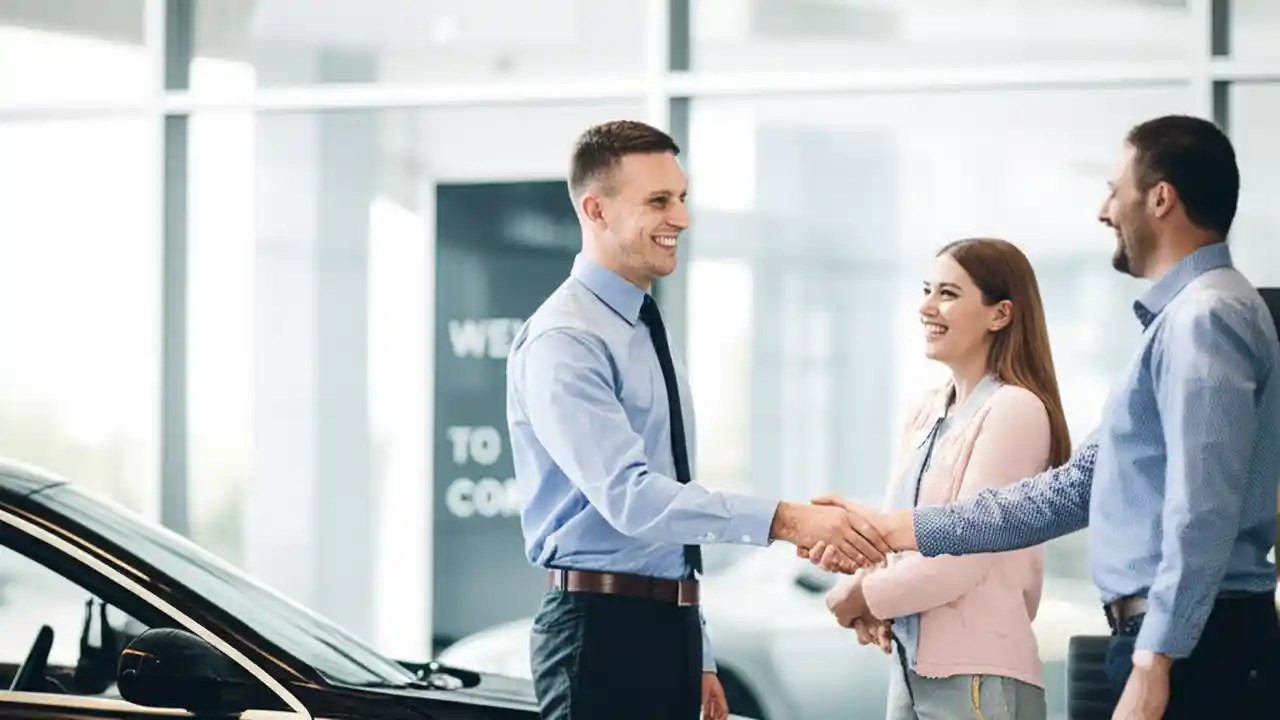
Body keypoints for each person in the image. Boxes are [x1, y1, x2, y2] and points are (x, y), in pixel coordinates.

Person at [808, 115, 1280, 720]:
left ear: (1161, 199)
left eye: (1116, 189)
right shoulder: (1180, 323)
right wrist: (892, 530)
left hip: (1198, 647)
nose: (1104, 210)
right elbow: (1069, 492)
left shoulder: (1204, 318)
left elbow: (1203, 506)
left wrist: (1155, 658)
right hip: (1185, 640)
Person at [506, 119, 889, 720]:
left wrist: (698, 648)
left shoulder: (642, 326)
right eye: (659, 201)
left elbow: (671, 501)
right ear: (595, 209)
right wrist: (788, 521)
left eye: (681, 198)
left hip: (667, 628)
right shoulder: (566, 340)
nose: (681, 218)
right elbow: (631, 499)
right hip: (600, 638)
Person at [824, 238, 1070, 719]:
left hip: (979, 675)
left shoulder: (1015, 409)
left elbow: (964, 554)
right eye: (926, 290)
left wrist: (865, 597)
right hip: (910, 668)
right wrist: (866, 583)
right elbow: (900, 535)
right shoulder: (926, 411)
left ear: (1000, 314)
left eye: (948, 294)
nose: (926, 307)